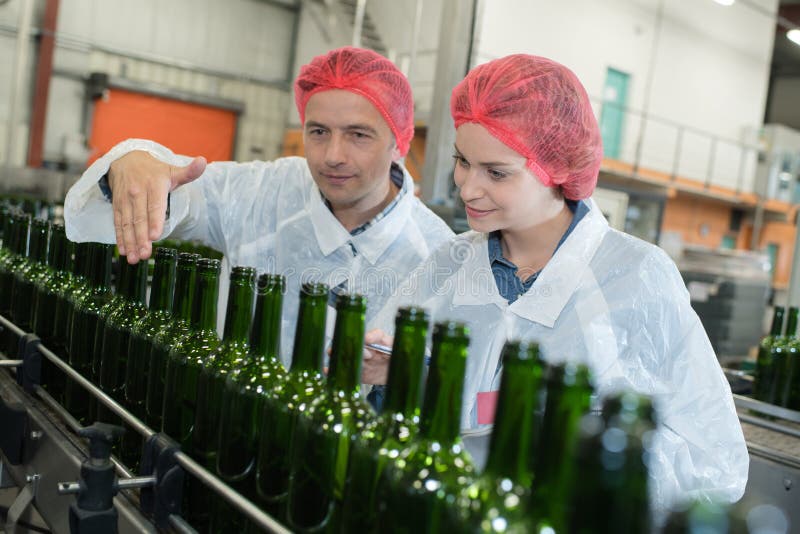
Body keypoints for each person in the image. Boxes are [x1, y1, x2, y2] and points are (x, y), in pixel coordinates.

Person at [362, 54, 748, 521]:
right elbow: (402, 419)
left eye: (497, 172)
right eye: (463, 162)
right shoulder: (449, 262)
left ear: (557, 168)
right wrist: (388, 381)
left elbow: (713, 462)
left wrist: (588, 458)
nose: (467, 189)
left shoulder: (636, 276)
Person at [64, 46, 454, 363]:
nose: (333, 155)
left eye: (358, 135)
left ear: (398, 142)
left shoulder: (440, 258)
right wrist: (131, 161)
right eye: (318, 132)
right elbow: (177, 198)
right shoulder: (262, 191)